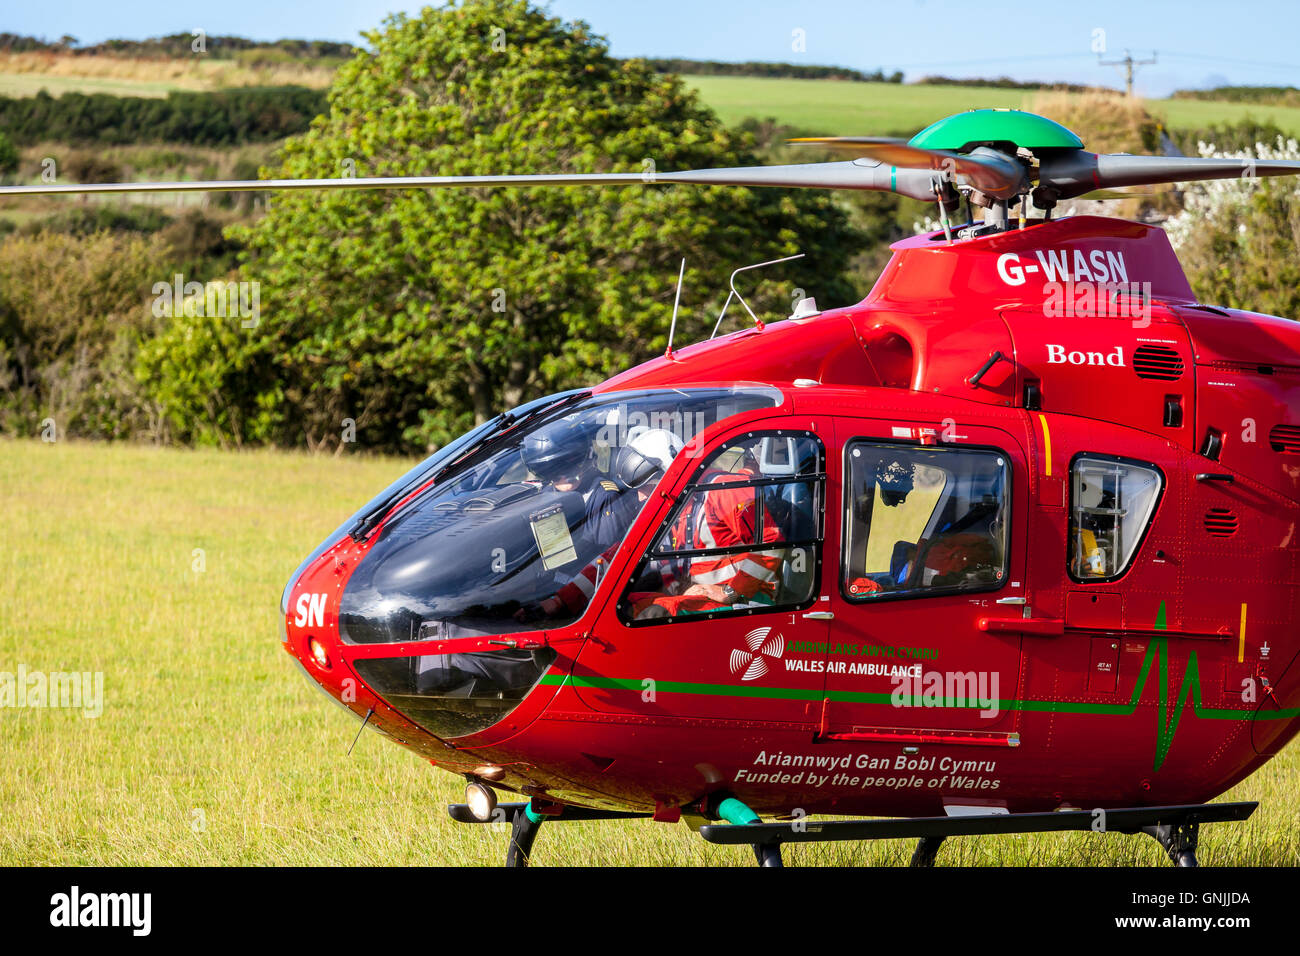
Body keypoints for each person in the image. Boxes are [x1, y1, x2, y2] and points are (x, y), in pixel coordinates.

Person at [518, 427, 684, 621]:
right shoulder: (546, 498)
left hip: (588, 601)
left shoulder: (605, 498)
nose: (562, 476)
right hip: (556, 590)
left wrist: (563, 599)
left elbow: (609, 559)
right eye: (552, 471)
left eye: (567, 466)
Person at [629, 441, 784, 619]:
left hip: (747, 599)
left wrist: (731, 591)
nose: (640, 497)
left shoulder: (723, 490)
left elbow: (771, 543)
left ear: (668, 475)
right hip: (699, 596)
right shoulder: (677, 504)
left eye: (644, 486)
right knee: (630, 605)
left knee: (655, 614)